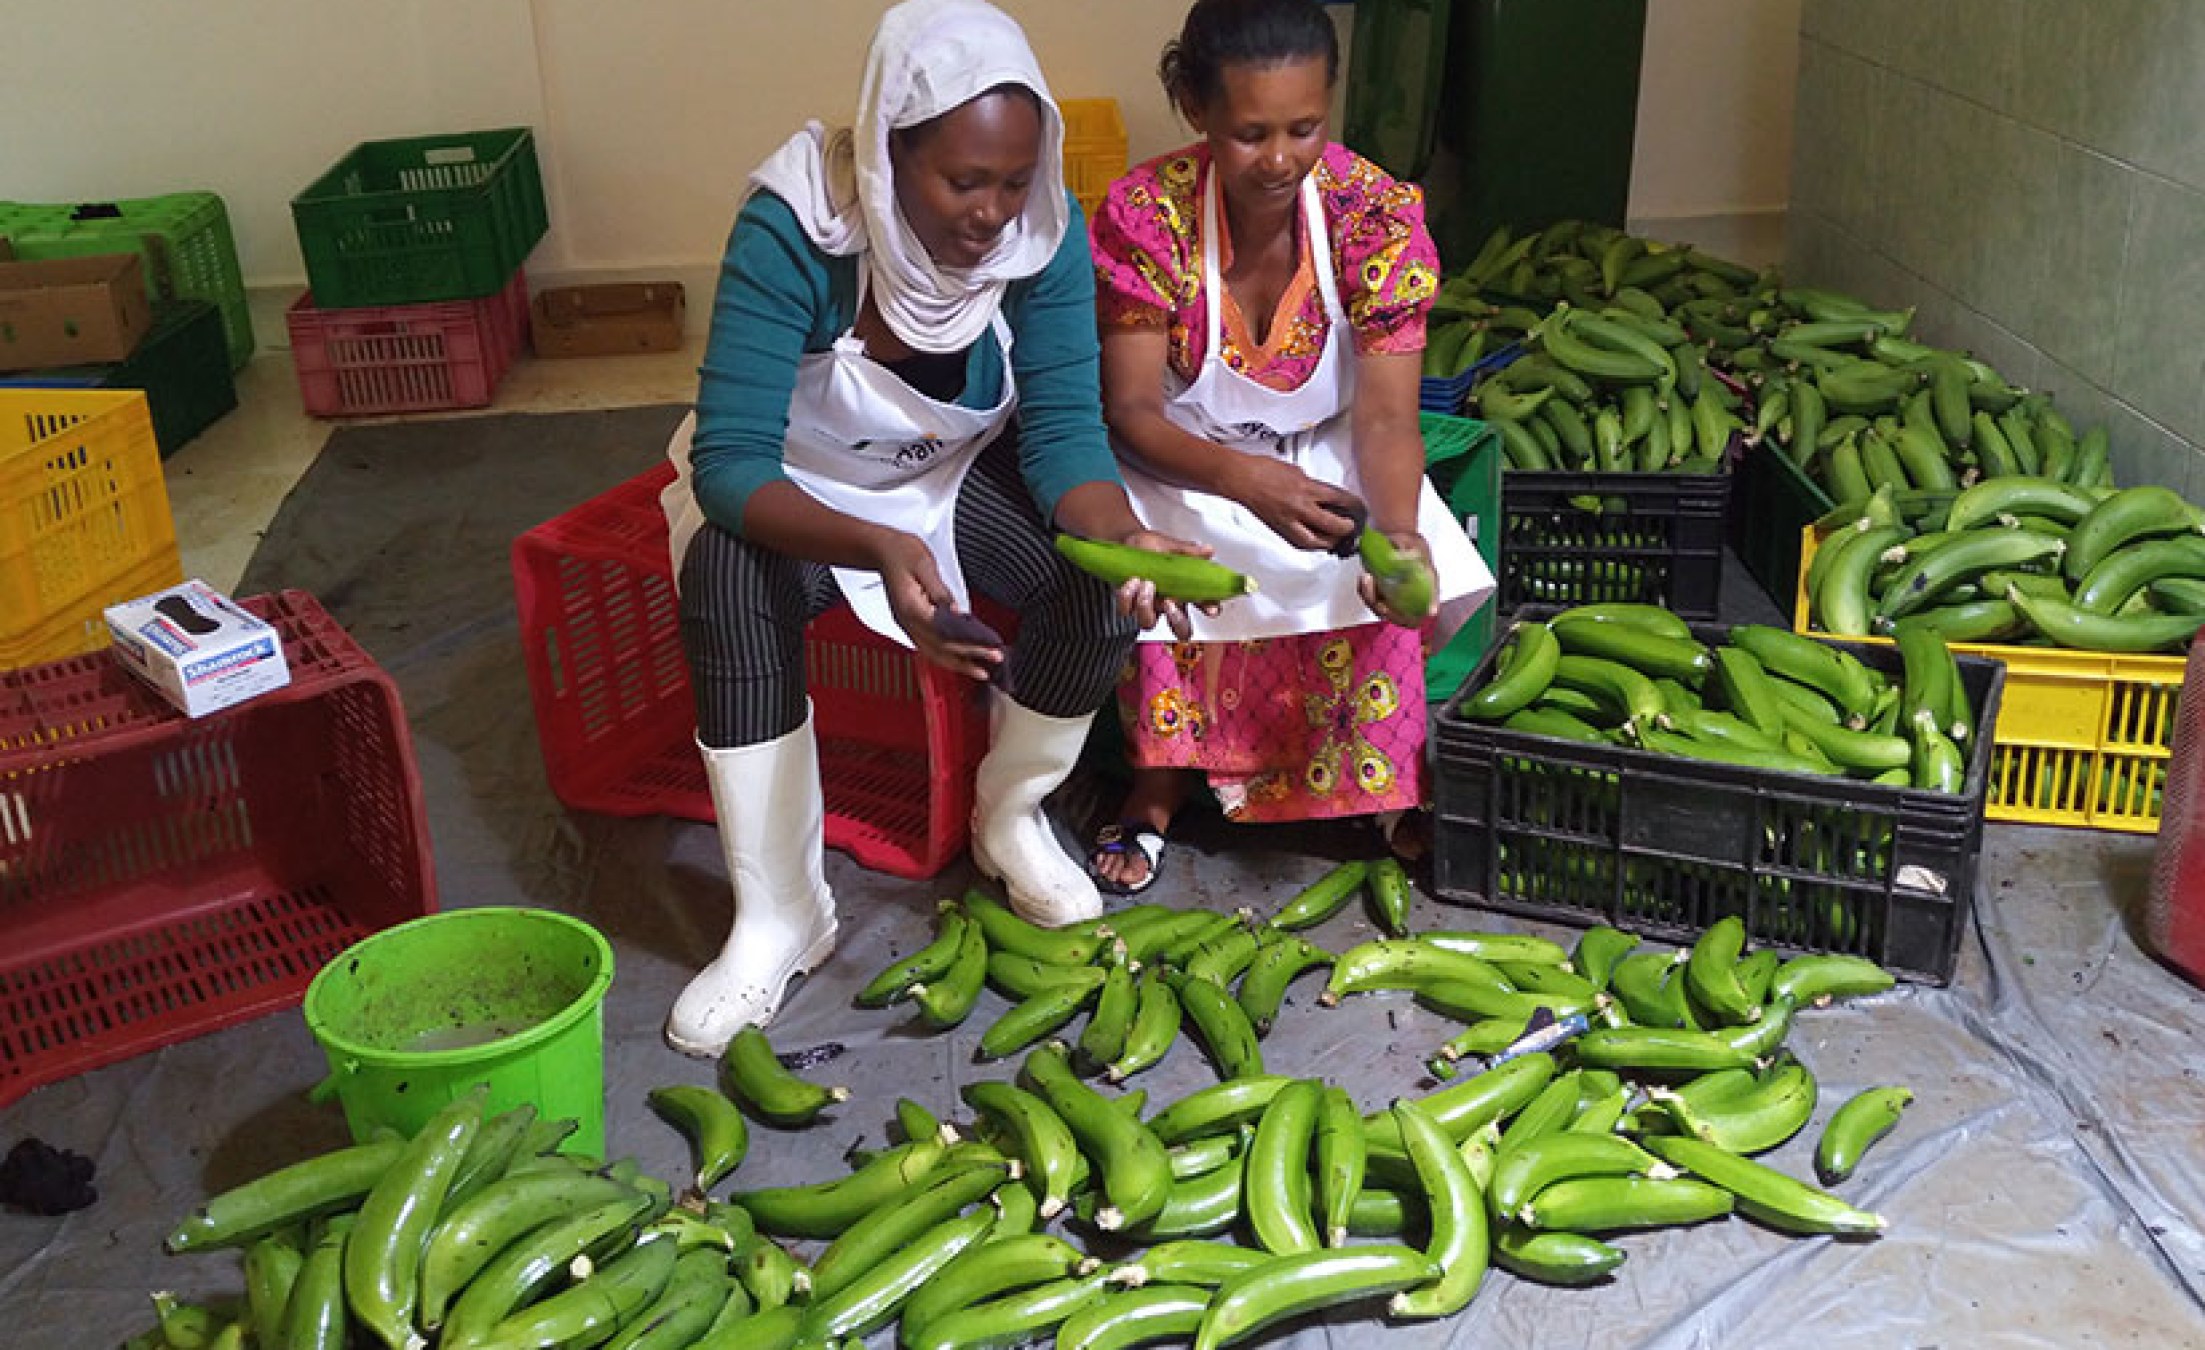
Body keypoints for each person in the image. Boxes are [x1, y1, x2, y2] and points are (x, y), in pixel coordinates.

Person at [660, 0, 1206, 1057]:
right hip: (795, 490)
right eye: (964, 181)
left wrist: (1126, 534)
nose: (993, 212)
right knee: (730, 576)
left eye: (1012, 180)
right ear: (889, 153)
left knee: (1089, 577)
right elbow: (729, 467)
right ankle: (781, 916)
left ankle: (1008, 817)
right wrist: (875, 549)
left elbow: (1062, 444)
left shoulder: (1042, 232)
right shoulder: (798, 230)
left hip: (939, 478)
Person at [1086, 0, 1494, 894]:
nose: (1278, 159)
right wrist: (1243, 481)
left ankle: (1368, 782)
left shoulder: (1372, 216)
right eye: (1249, 134)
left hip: (1327, 445)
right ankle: (1162, 779)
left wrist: (1396, 535)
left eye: (1304, 128)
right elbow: (1130, 410)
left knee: (1367, 544)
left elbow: (1386, 420)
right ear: (1196, 110)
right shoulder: (1145, 216)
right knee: (1173, 553)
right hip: (1182, 454)